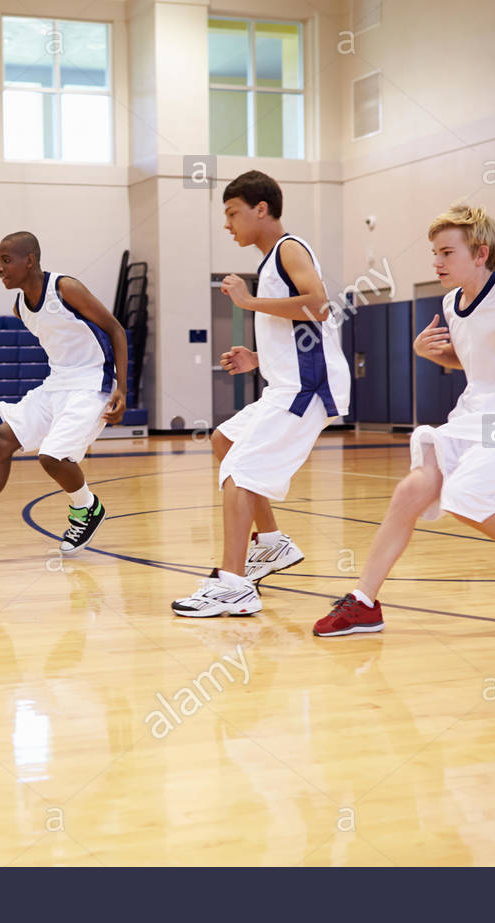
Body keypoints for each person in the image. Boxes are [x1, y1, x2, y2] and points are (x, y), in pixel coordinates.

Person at [312, 202, 495, 637]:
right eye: (435, 252)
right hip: (473, 416)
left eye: (447, 252)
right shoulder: (452, 303)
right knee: (409, 494)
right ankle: (363, 603)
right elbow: (473, 365)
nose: (437, 261)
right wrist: (429, 353)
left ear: (480, 253)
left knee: (465, 495)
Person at [172, 170, 350, 617]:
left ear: (261, 209)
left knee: (240, 470)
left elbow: (319, 304)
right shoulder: (271, 259)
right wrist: (258, 357)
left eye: (232, 214)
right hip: (286, 382)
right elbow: (298, 324)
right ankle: (271, 544)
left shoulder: (289, 248)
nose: (228, 225)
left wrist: (248, 304)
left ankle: (233, 586)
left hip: (306, 387)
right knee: (224, 441)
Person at [0, 231, 128, 566]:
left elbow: (116, 329)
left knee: (52, 457)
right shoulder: (20, 308)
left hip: (93, 383)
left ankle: (86, 507)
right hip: (57, 384)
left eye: (6, 260)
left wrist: (122, 388)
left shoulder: (65, 288)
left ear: (29, 260)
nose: (0, 269)